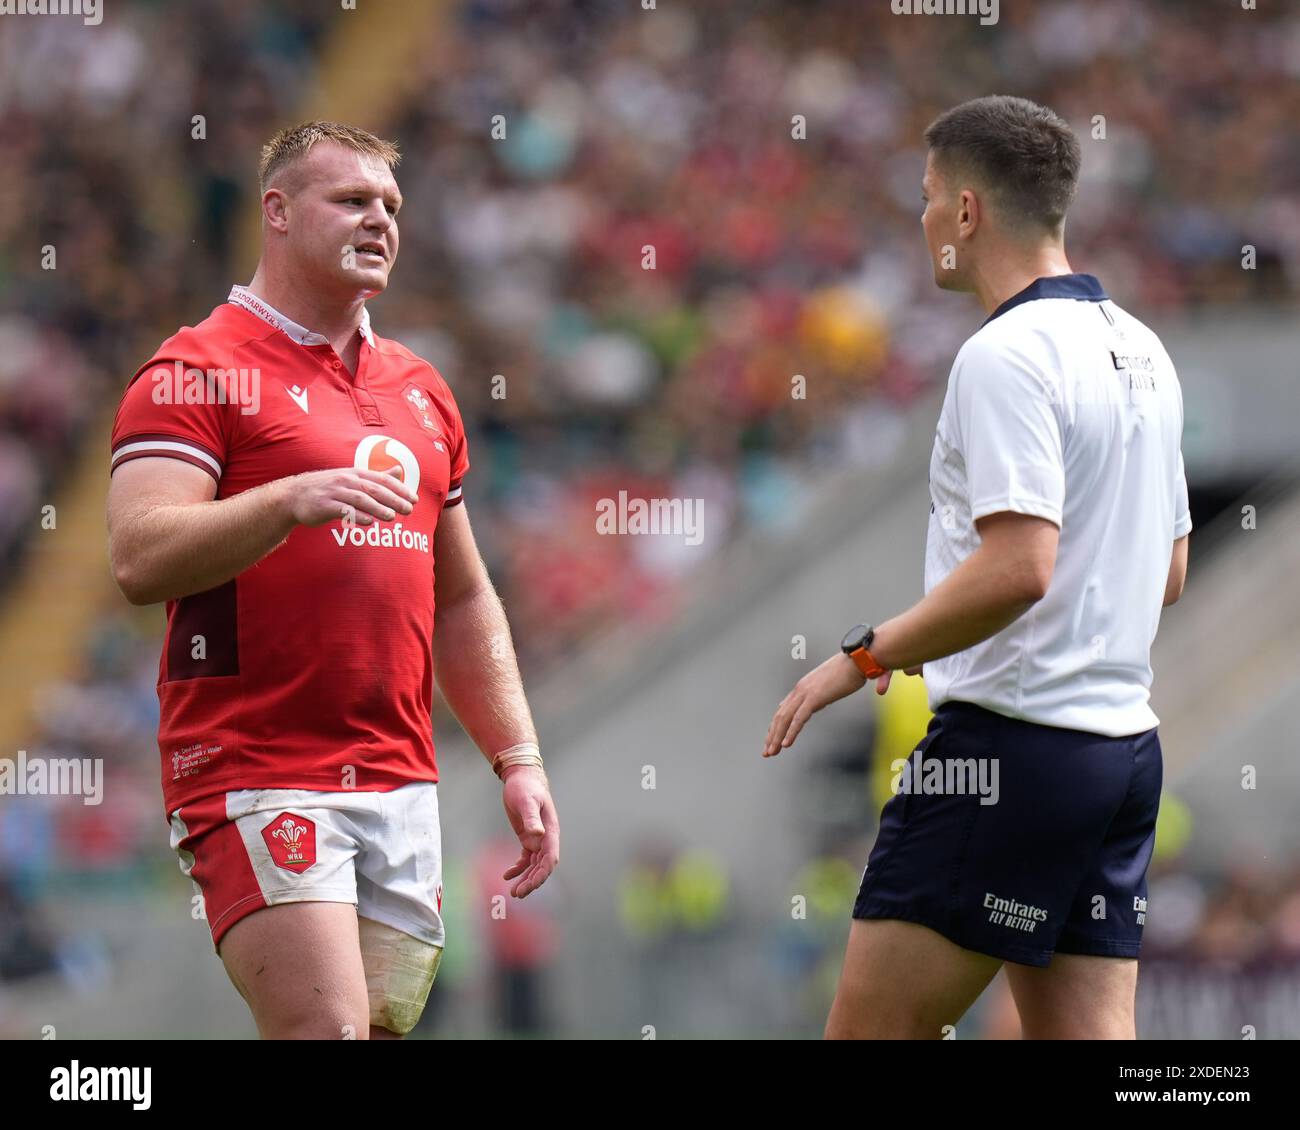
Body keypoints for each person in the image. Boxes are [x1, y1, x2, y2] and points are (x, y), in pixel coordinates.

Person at [106, 121, 559, 1040]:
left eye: (391, 206)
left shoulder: (422, 388)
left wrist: (517, 756)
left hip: (399, 777)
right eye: (351, 200)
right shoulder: (196, 368)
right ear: (276, 211)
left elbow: (463, 593)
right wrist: (286, 500)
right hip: (257, 769)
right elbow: (139, 556)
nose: (380, 221)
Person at [763, 95, 1191, 1039]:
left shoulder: (1005, 355)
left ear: (966, 211)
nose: (920, 223)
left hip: (1007, 751)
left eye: (924, 198)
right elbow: (1166, 573)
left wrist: (861, 658)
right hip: (1121, 758)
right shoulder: (1145, 351)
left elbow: (1018, 569)